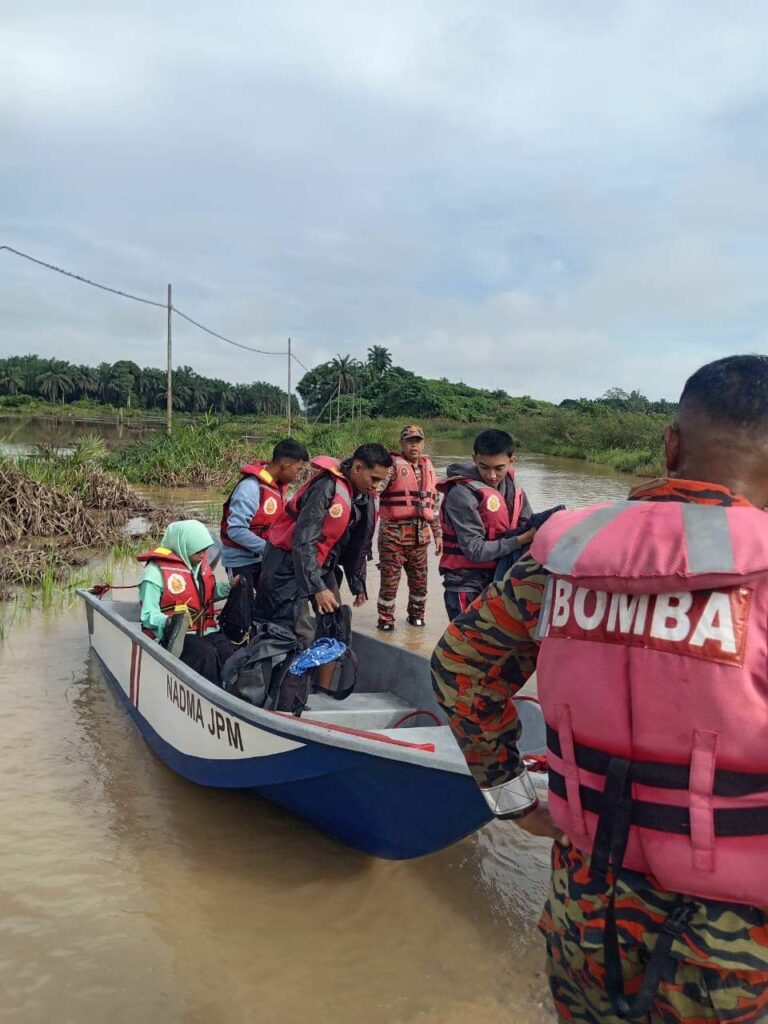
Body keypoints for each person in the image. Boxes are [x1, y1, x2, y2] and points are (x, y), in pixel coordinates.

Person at [430, 354, 768, 1023]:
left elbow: (458, 667)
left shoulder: (567, 554)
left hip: (585, 911)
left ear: (671, 444)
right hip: (729, 946)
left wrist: (512, 799)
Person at [254, 443, 393, 646]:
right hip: (287, 564)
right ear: (357, 468)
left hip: (320, 564)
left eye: (381, 481)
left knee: (335, 627)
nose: (377, 486)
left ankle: (319, 676)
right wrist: (317, 588)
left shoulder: (363, 494)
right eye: (374, 479)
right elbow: (303, 541)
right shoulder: (326, 488)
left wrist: (357, 582)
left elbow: (358, 543)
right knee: (292, 633)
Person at [437, 429, 536, 620]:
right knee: (464, 646)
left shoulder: (513, 489)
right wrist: (522, 540)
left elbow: (528, 523)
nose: (491, 475)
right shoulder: (461, 494)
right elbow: (475, 550)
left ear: (512, 460)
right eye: (484, 467)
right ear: (474, 459)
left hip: (498, 580)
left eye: (499, 468)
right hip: (465, 583)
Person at [138, 520, 235, 684]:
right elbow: (147, 615)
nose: (204, 554)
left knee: (228, 652)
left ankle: (235, 696)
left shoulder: (199, 565)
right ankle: (210, 699)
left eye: (205, 549)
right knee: (206, 656)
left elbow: (206, 596)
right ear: (183, 545)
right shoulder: (154, 573)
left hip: (206, 630)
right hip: (175, 636)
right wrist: (168, 621)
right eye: (199, 550)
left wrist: (228, 588)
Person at [220, 438, 309, 596]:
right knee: (242, 612)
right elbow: (235, 530)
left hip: (263, 558)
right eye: (298, 469)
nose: (298, 475)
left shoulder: (278, 488)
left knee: (277, 603)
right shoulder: (250, 488)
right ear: (285, 464)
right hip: (240, 560)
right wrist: (268, 549)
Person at [375, 424, 442, 631]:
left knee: (420, 584)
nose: (414, 445)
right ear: (401, 444)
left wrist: (438, 534)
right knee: (389, 584)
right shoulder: (392, 467)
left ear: (423, 443)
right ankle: (385, 621)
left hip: (420, 540)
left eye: (417, 441)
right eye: (409, 441)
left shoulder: (429, 469)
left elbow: (434, 505)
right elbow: (373, 491)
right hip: (393, 538)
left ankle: (416, 617)